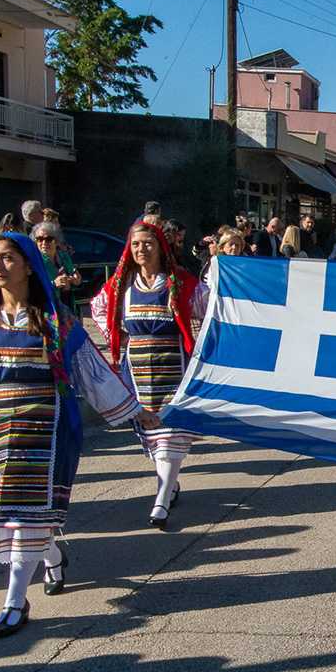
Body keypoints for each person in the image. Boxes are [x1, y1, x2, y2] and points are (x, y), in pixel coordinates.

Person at [0, 232, 156, 638]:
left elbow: (91, 370)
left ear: (29, 264)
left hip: (46, 430)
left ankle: (15, 602)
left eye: (7, 259)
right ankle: (51, 555)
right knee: (20, 517)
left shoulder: (54, 318)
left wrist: (136, 412)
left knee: (29, 513)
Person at [90, 222, 208, 529]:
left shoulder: (178, 281)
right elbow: (98, 308)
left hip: (173, 364)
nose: (142, 249)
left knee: (169, 434)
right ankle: (169, 484)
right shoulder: (121, 284)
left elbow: (208, 306)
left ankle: (161, 499)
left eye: (148, 244)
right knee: (151, 436)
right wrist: (118, 334)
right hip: (138, 369)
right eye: (137, 244)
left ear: (160, 247)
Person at [31, 221, 81, 310]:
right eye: (39, 239)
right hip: (47, 308)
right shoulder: (35, 261)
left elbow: (74, 275)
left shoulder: (64, 256)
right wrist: (54, 284)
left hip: (68, 304)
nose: (44, 243)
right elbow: (32, 288)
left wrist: (75, 280)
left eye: (48, 239)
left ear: (57, 241)